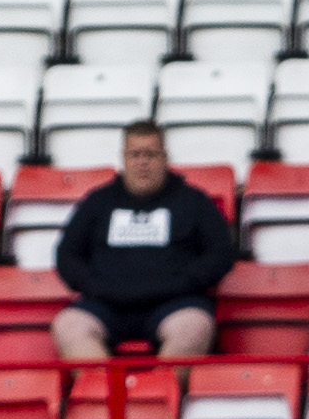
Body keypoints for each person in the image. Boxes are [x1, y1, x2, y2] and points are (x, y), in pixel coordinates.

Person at [53, 121, 235, 361]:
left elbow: (221, 253)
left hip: (175, 304)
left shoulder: (193, 201)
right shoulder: (98, 202)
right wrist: (93, 284)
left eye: (150, 154)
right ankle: (102, 395)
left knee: (194, 328)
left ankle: (157, 396)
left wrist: (186, 281)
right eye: (135, 154)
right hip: (105, 304)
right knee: (68, 326)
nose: (142, 162)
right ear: (124, 158)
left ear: (164, 157)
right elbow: (67, 255)